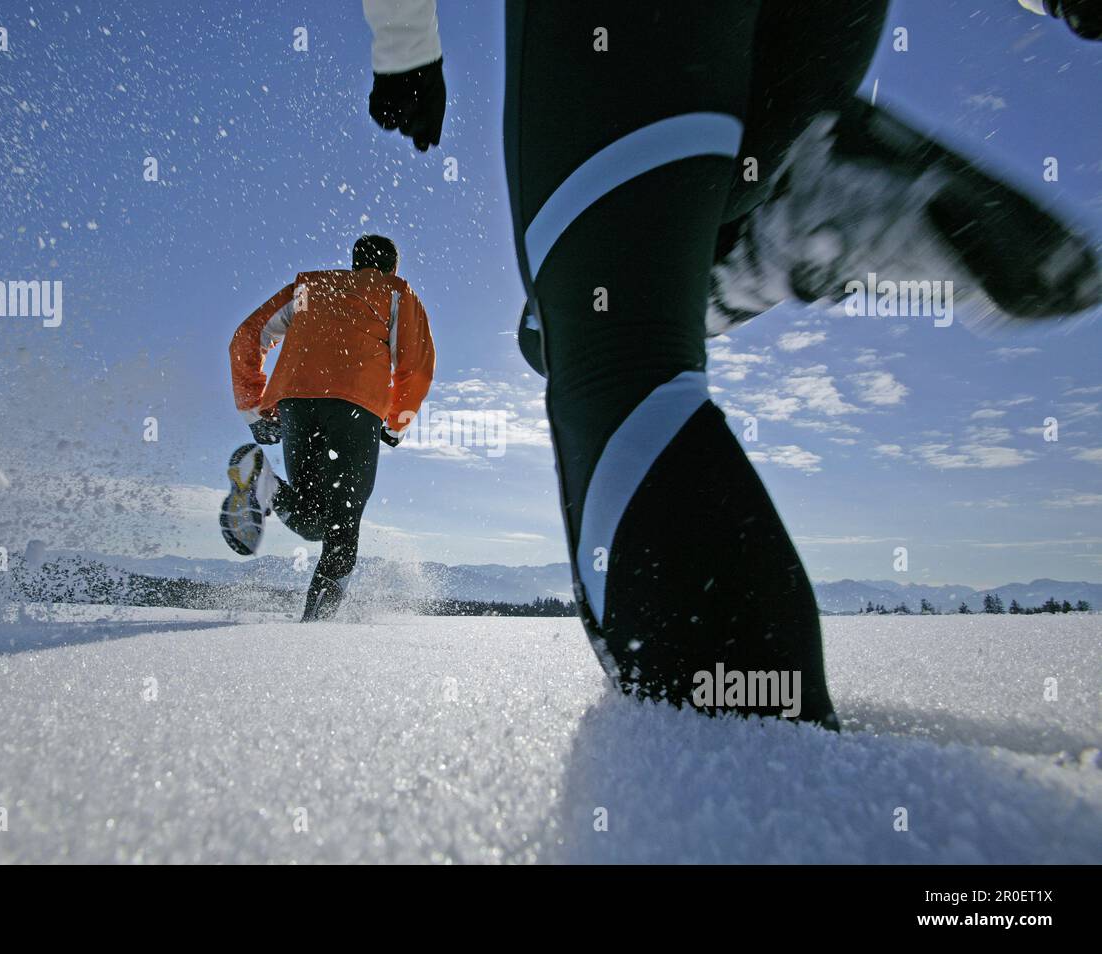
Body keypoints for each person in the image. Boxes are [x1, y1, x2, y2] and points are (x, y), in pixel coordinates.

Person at [360, 0, 1101, 728]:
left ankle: (770, 785)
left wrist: (404, 49)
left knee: (619, 355)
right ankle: (782, 203)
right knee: (551, 331)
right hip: (819, 30)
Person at [220, 235, 436, 622]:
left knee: (313, 517)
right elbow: (415, 367)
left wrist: (253, 409)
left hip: (296, 404)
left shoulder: (308, 288)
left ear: (355, 263)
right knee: (343, 521)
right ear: (392, 268)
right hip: (356, 403)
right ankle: (317, 632)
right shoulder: (395, 291)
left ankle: (262, 481)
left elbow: (246, 337)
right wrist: (397, 424)